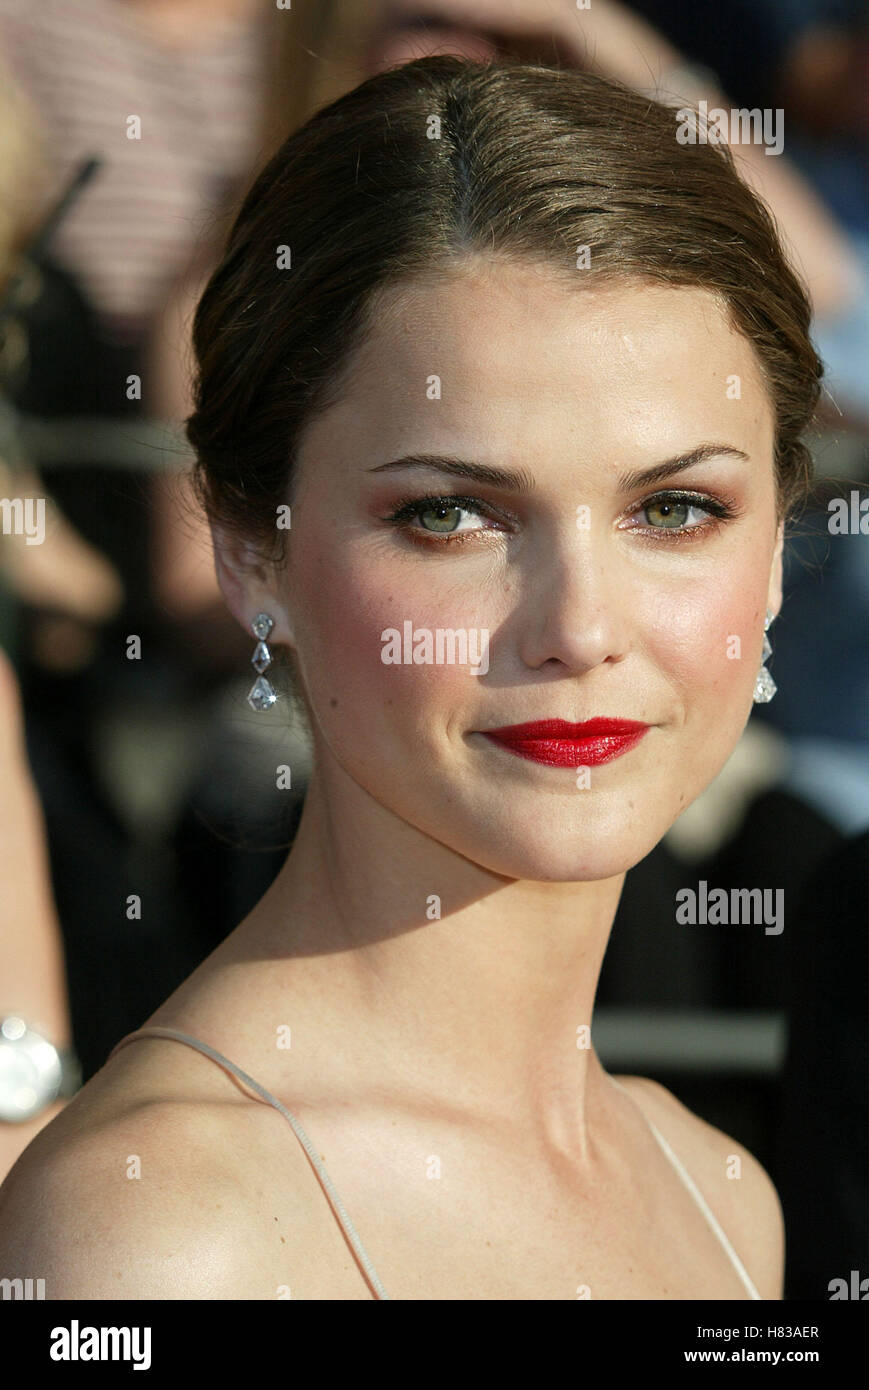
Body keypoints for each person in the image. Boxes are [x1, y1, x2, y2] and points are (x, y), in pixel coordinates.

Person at [0, 53, 818, 1300]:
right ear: (249, 546)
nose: (577, 627)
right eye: (449, 514)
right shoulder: (157, 1238)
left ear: (772, 552)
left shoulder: (718, 1192)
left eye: (675, 507)